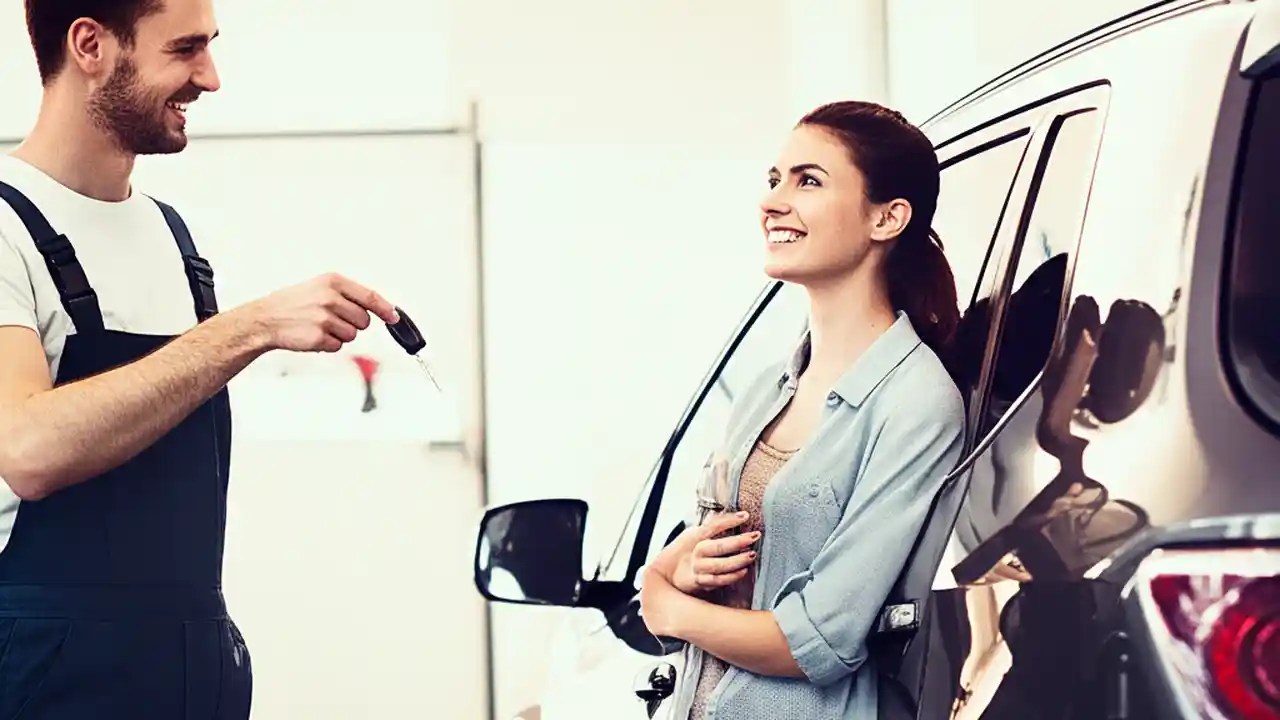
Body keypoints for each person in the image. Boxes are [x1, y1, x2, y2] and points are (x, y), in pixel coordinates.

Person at [0, 1, 399, 717]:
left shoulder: (171, 236)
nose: (210, 78)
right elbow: (26, 448)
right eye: (185, 50)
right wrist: (250, 329)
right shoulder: (6, 229)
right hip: (53, 679)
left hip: (192, 667)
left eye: (209, 47)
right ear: (90, 45)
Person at [639, 100, 968, 720]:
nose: (772, 201)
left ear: (888, 217)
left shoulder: (916, 404)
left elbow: (822, 638)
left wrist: (665, 603)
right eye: (774, 179)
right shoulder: (768, 389)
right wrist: (675, 572)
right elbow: (701, 554)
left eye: (808, 181)